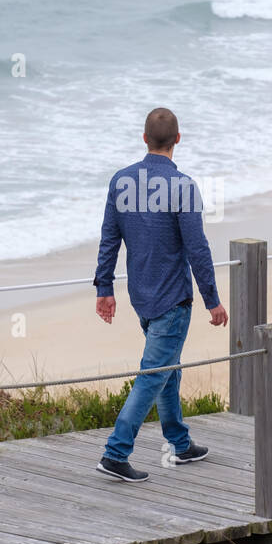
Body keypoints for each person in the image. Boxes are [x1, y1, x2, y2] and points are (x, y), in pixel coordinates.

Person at [93, 108, 227, 481]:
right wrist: (212, 299)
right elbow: (197, 248)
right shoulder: (182, 186)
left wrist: (105, 288)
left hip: (141, 295)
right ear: (178, 140)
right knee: (153, 374)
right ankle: (115, 452)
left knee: (167, 369)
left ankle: (179, 444)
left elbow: (109, 239)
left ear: (144, 139)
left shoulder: (121, 181)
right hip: (171, 298)